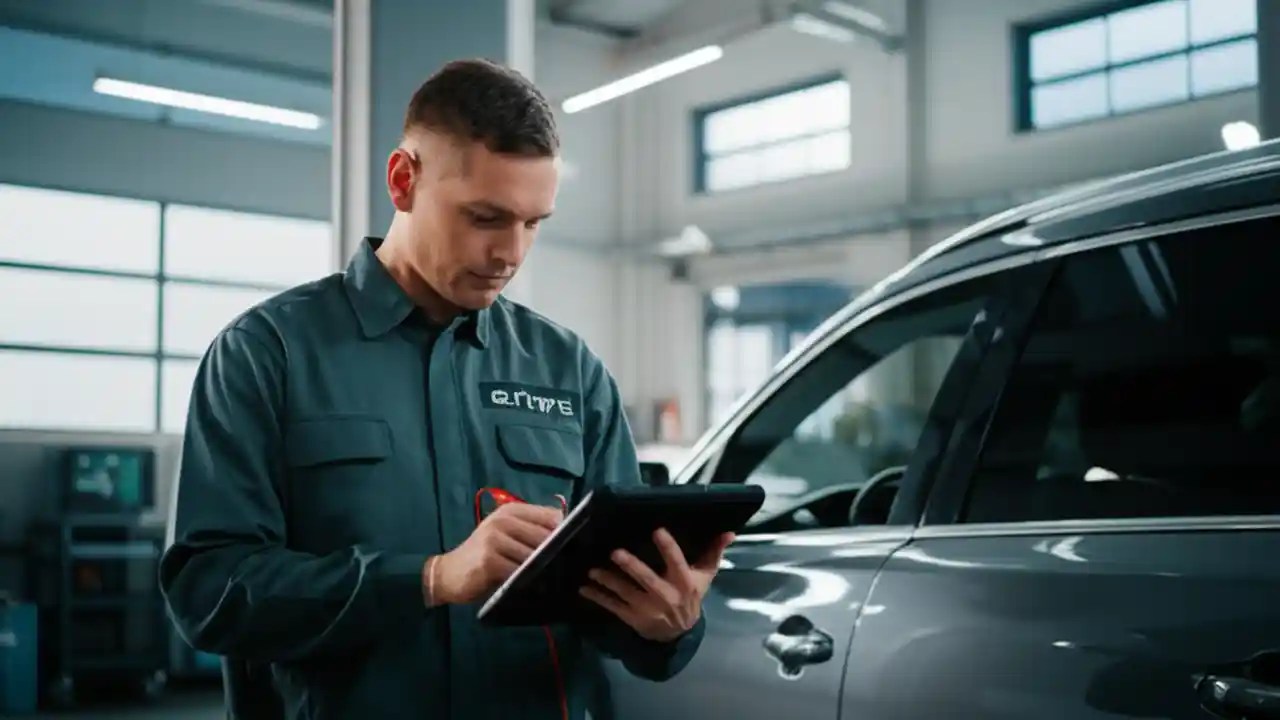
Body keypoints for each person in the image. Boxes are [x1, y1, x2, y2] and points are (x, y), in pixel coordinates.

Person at [158, 58, 734, 720]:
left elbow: (605, 617)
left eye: (534, 222)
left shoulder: (569, 371)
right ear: (403, 181)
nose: (510, 253)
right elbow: (209, 593)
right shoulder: (268, 355)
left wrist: (666, 628)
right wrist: (430, 579)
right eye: (485, 217)